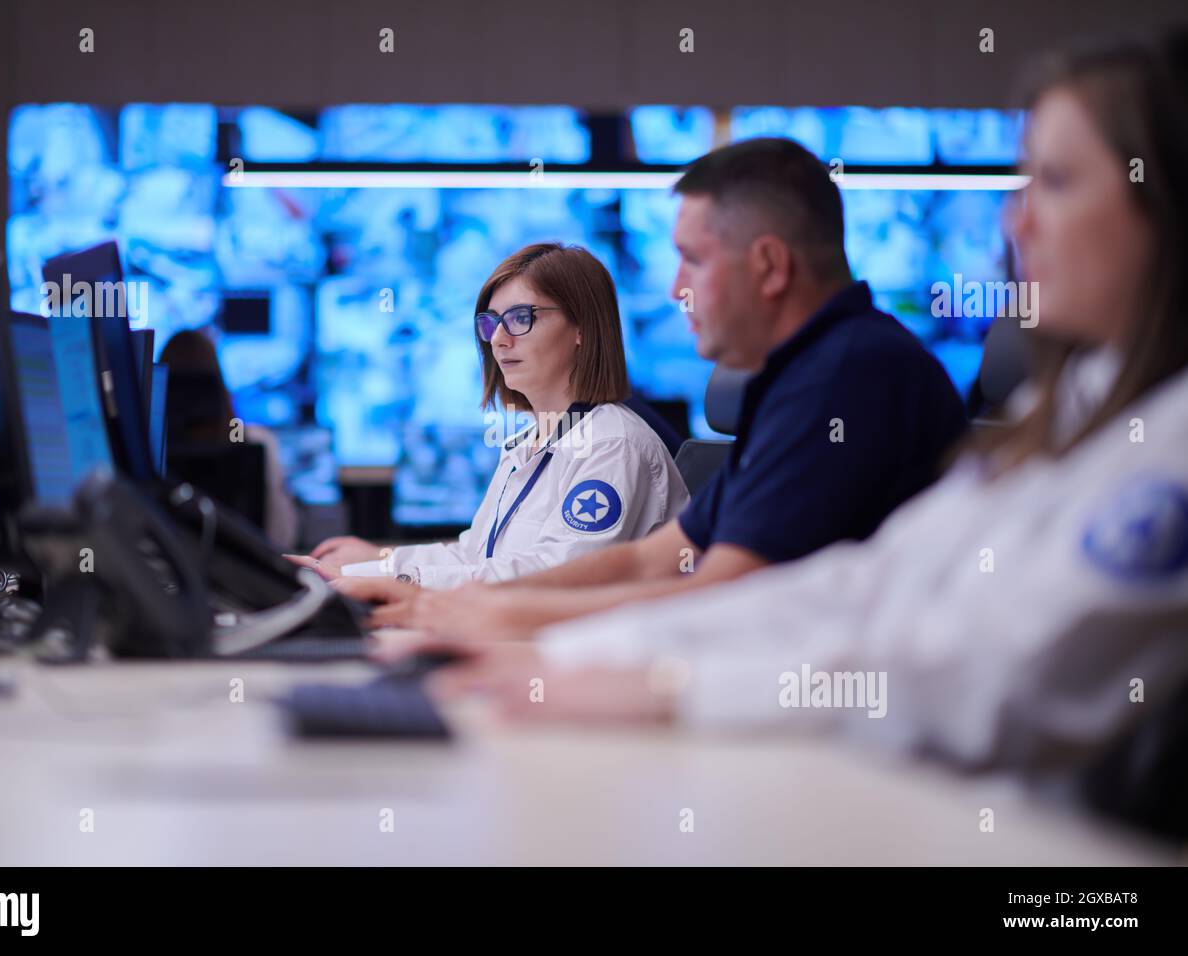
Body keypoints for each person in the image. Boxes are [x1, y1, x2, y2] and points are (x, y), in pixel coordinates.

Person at [408, 30, 1188, 783]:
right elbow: (858, 586)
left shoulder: (856, 376)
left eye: (1055, 182)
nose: (1015, 222)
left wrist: (628, 670)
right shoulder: (1075, 413)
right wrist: (546, 642)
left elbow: (974, 675)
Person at [338, 137, 967, 631]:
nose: (674, 290)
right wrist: (449, 597)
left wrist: (481, 611)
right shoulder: (801, 379)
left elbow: (717, 594)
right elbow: (648, 561)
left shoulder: (849, 378)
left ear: (770, 266)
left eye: (693, 259)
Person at [292, 243, 689, 588]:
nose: (499, 338)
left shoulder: (611, 445)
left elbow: (555, 578)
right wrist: (368, 567)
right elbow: (476, 556)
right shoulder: (529, 442)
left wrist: (385, 579)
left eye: (521, 317)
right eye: (491, 322)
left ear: (581, 328)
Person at [159, 329, 299, 549]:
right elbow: (282, 537)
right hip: (243, 578)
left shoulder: (143, 453)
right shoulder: (257, 442)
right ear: (219, 383)